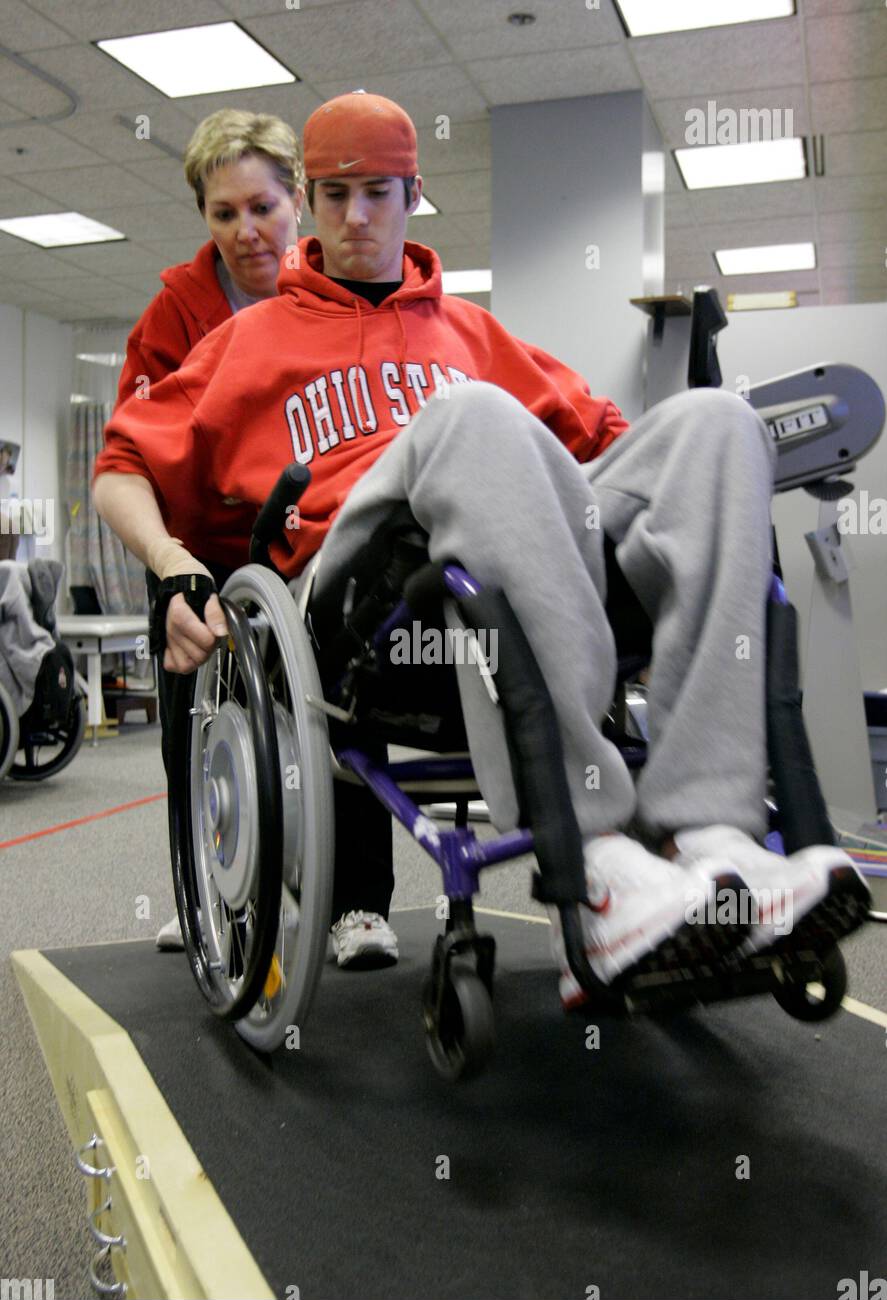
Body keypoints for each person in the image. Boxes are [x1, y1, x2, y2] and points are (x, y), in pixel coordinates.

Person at [94, 91, 868, 1009]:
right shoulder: (246, 340)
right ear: (312, 197)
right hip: (363, 593)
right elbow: (120, 464)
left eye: (376, 192)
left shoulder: (472, 333)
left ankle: (709, 832)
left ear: (413, 193)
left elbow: (609, 445)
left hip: (510, 550)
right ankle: (597, 862)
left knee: (715, 425)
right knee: (469, 416)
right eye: (333, 194)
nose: (353, 217)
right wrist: (175, 565)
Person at [97, 105, 398, 969]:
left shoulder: (335, 293)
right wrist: (170, 568)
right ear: (203, 218)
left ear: (297, 202)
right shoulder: (176, 311)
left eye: (262, 207)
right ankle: (206, 890)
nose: (246, 231)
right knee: (193, 709)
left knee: (345, 698)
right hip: (203, 543)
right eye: (223, 213)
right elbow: (133, 452)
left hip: (310, 536)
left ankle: (355, 907)